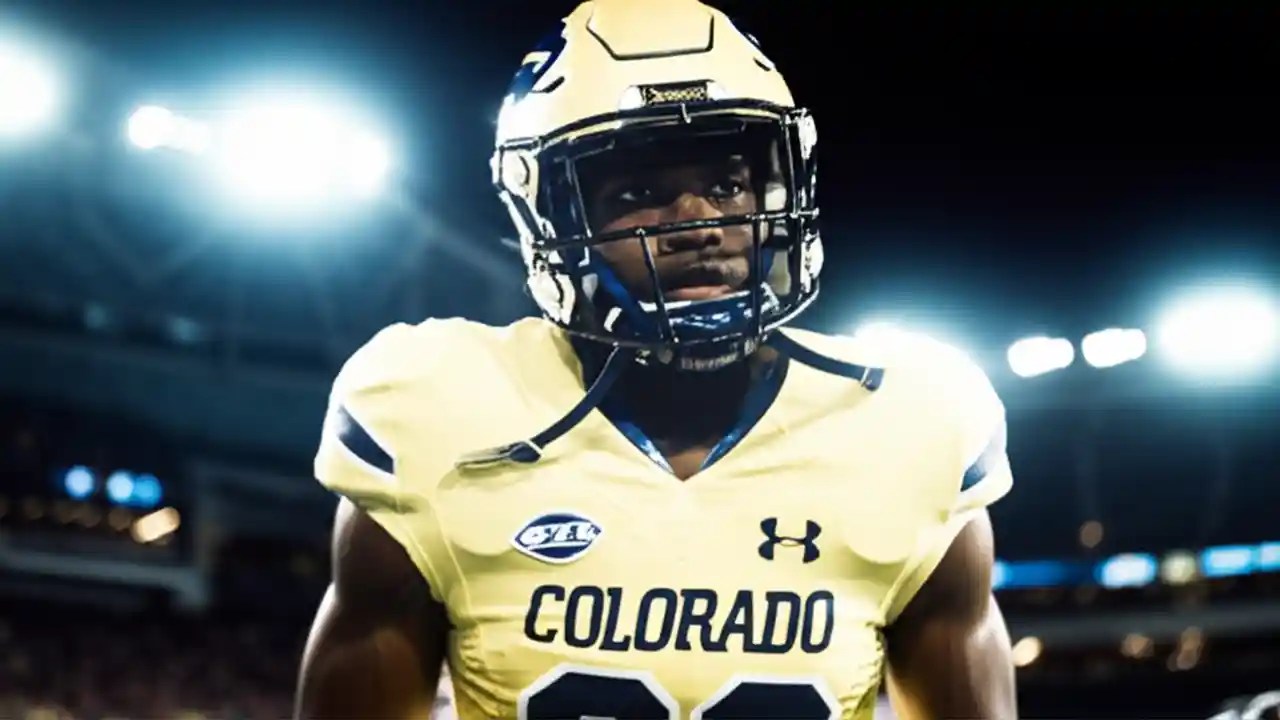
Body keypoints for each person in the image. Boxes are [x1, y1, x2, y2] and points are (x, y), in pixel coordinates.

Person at [294, 0, 1017, 718]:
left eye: (727, 184)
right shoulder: (436, 413)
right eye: (639, 193)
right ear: (551, 213)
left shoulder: (912, 427)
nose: (699, 223)